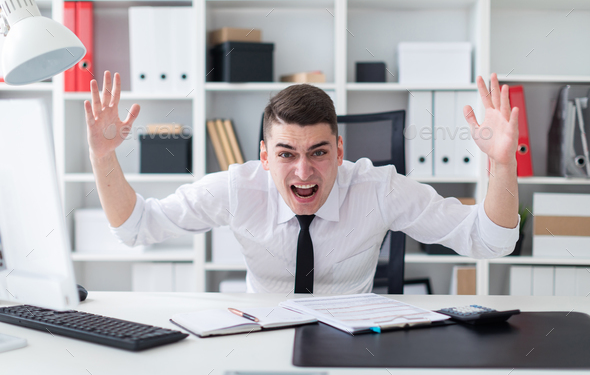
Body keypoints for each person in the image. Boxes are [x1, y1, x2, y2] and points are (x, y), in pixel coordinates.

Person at [84, 71, 520, 294]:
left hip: (355, 350)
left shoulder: (378, 188)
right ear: (264, 158)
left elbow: (490, 241)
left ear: (340, 150)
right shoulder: (239, 188)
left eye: (319, 152)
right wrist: (104, 157)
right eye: (286, 154)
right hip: (263, 346)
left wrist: (503, 164)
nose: (304, 171)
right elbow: (136, 227)